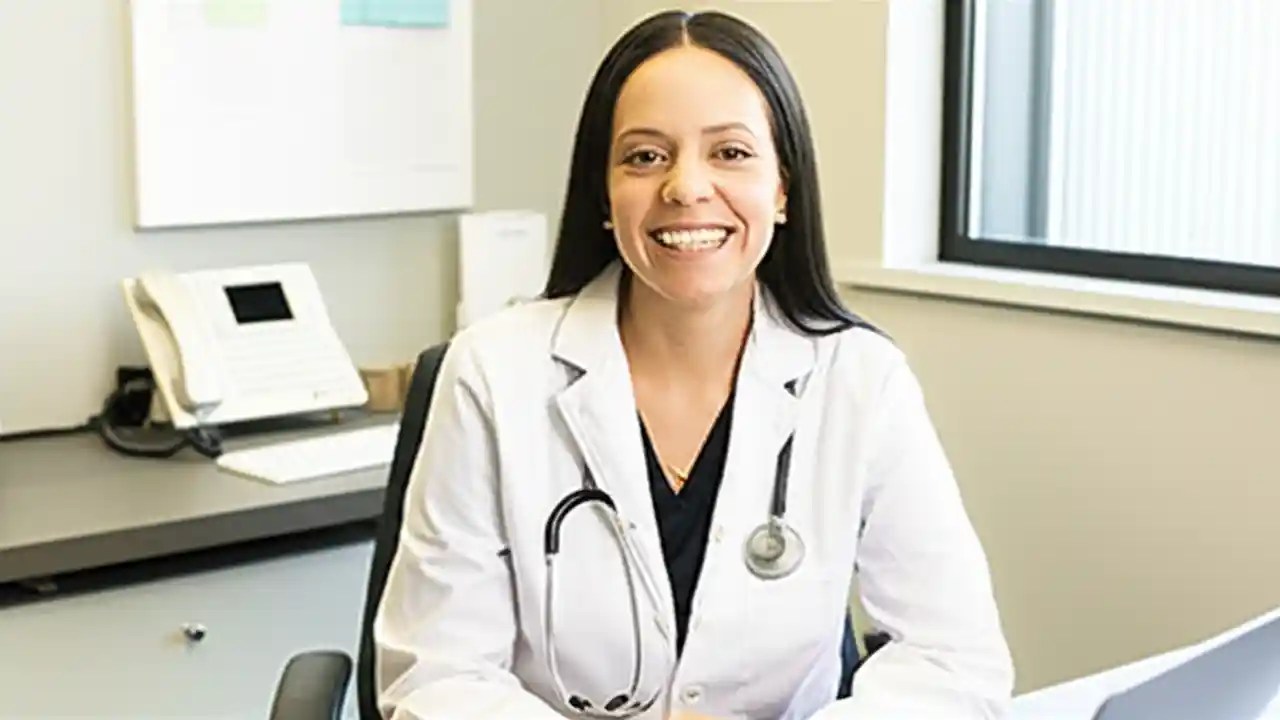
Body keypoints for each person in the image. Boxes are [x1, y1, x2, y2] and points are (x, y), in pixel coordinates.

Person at [374, 9, 1014, 720]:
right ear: (605, 199)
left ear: (782, 189)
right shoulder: (491, 375)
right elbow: (436, 675)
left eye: (731, 153)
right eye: (645, 156)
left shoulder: (861, 380)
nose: (685, 187)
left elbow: (954, 661)